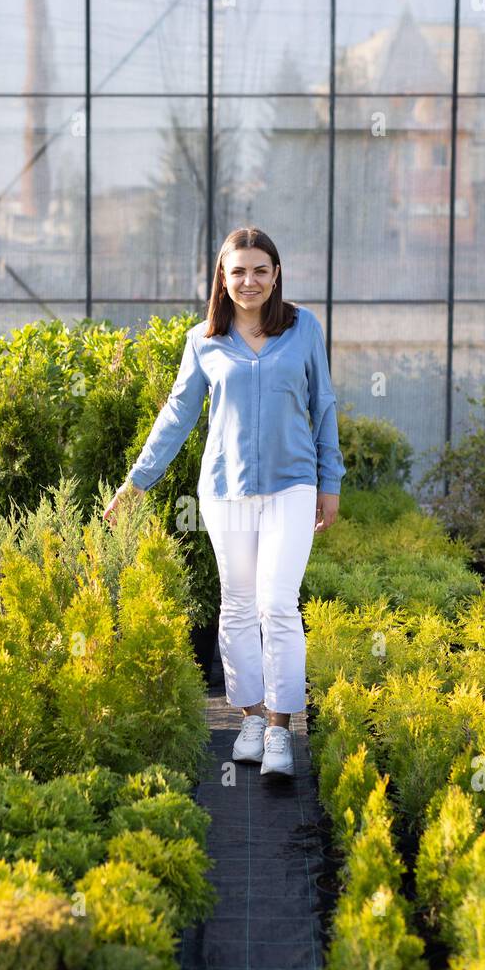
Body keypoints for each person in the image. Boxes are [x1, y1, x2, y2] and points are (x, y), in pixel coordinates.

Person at [103, 227, 346, 780]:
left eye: (260, 269)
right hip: (224, 490)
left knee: (277, 603)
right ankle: (253, 719)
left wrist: (330, 480)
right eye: (238, 271)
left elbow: (323, 405)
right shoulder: (204, 340)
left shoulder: (304, 328)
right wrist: (137, 480)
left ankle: (283, 729)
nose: (249, 281)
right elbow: (178, 414)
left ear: (276, 274)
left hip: (292, 486)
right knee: (236, 604)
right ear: (222, 277)